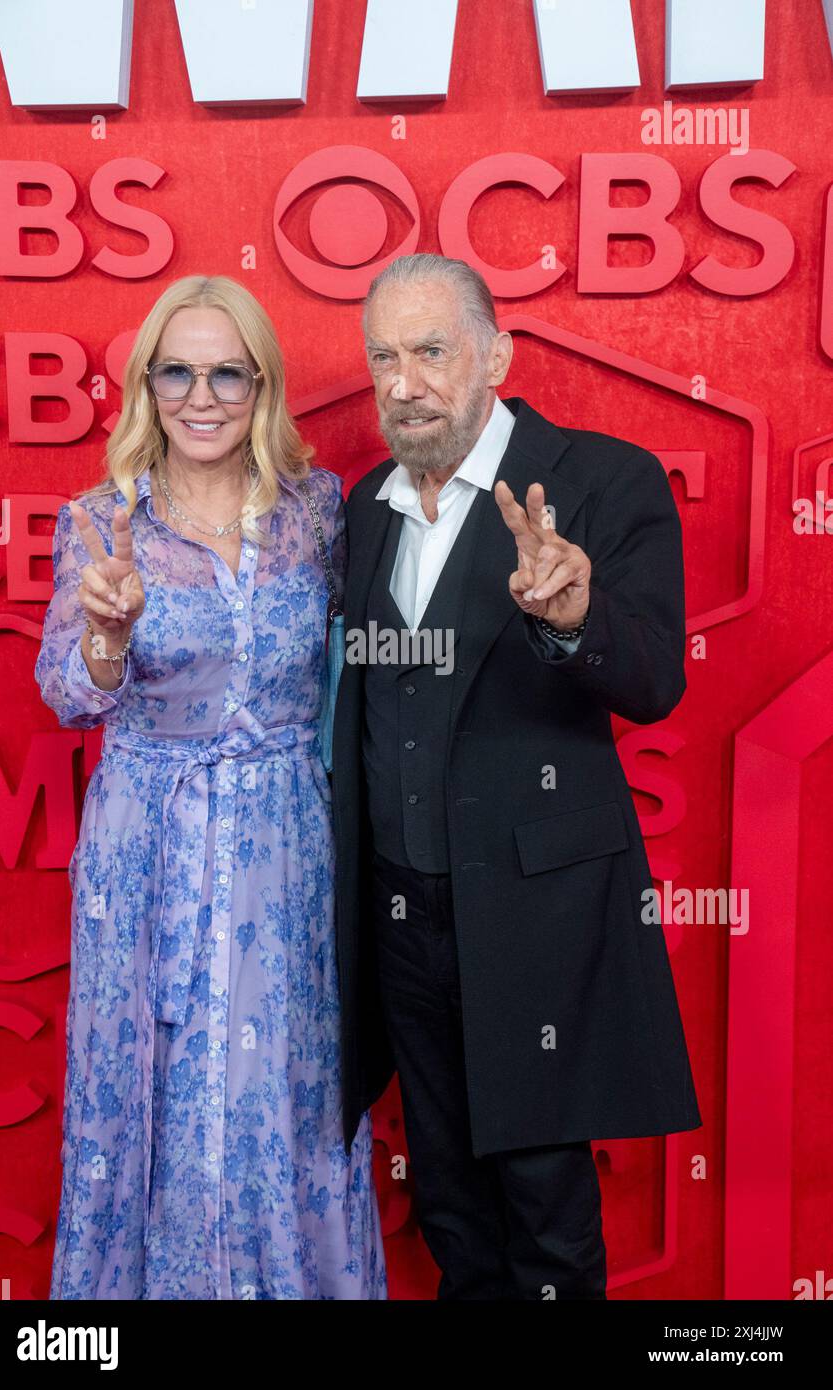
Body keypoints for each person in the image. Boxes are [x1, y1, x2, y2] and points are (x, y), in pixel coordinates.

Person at [331, 252, 702, 1300]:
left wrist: (573, 617)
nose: (403, 383)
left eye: (431, 351)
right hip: (403, 919)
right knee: (448, 1202)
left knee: (543, 1213)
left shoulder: (601, 478)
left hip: (536, 917)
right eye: (383, 359)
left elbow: (654, 678)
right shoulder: (363, 508)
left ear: (495, 354)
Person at [35, 274, 386, 1300]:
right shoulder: (101, 520)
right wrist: (105, 636)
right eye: (176, 370)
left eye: (226, 371)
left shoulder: (315, 514)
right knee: (154, 1084)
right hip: (149, 847)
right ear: (147, 383)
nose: (201, 394)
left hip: (284, 848)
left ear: (261, 384)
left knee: (281, 1093)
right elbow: (67, 693)